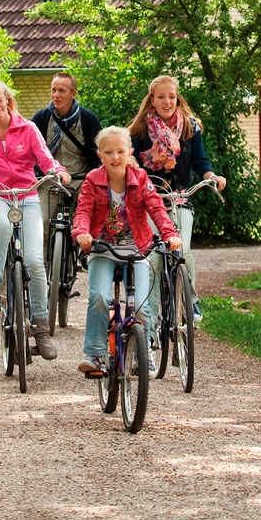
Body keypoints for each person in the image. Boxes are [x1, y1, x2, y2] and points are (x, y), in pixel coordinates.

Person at [0, 76, 70, 362]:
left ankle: (42, 329)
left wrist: (58, 172)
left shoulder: (28, 128)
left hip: (28, 196)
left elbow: (46, 160)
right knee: (3, 226)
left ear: (7, 99)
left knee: (34, 260)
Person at [71, 125, 180, 377]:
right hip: (102, 249)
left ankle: (145, 353)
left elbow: (156, 208)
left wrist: (170, 234)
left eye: (120, 151)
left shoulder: (140, 178)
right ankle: (96, 354)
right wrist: (82, 233)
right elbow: (83, 212)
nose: (115, 157)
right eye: (108, 152)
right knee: (99, 297)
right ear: (100, 155)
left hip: (136, 250)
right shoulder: (92, 180)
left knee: (142, 305)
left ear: (130, 152)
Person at [128, 74, 226, 326]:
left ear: (178, 98)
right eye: (161, 97)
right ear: (152, 100)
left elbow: (200, 161)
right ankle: (150, 308)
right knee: (153, 255)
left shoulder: (190, 128)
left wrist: (211, 176)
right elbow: (131, 162)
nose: (167, 101)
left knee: (183, 249)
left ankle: (190, 299)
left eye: (171, 96)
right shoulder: (139, 130)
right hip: (151, 198)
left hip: (180, 196)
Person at [31, 71, 102, 250]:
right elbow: (27, 147)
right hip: (50, 180)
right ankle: (43, 272)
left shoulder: (87, 119)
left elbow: (101, 151)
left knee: (88, 221)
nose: (56, 95)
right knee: (40, 223)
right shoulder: (41, 118)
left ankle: (86, 255)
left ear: (73, 94)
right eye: (53, 90)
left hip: (82, 181)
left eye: (62, 90)